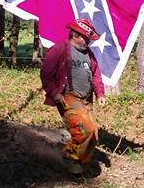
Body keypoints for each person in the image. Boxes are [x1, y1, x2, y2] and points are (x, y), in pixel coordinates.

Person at [40, 18, 107, 173]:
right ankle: (69, 158)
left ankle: (81, 165)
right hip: (68, 97)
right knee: (85, 130)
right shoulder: (59, 49)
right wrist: (55, 94)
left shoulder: (89, 54)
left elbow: (96, 74)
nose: (88, 42)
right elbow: (46, 74)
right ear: (75, 35)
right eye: (85, 38)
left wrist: (100, 94)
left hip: (86, 100)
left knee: (93, 135)